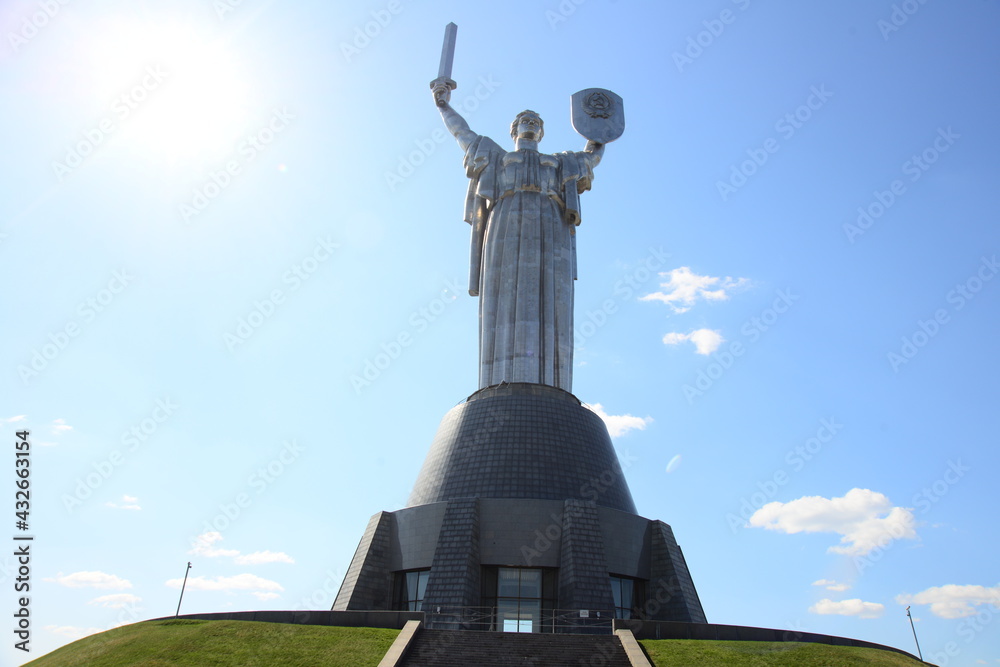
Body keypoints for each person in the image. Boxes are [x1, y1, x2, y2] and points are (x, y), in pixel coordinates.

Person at [431, 77, 605, 393]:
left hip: (549, 222)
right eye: (524, 120)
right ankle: (497, 382)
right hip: (506, 219)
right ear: (513, 130)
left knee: (551, 292)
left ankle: (551, 384)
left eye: (536, 122)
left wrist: (599, 136)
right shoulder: (496, 156)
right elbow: (462, 133)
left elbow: (590, 158)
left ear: (541, 132)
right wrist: (444, 105)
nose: (530, 124)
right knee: (503, 290)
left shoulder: (559, 161)